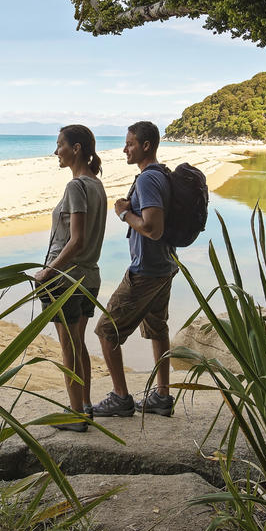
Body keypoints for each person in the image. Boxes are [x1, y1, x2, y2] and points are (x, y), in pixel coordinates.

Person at [93, 121, 177, 418]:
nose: (124, 148)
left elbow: (153, 229)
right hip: (165, 265)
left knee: (106, 331)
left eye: (129, 143)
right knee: (157, 329)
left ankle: (120, 397)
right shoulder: (161, 175)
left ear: (145, 145)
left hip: (146, 270)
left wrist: (124, 213)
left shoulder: (146, 180)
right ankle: (162, 397)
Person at [34, 125, 107, 432]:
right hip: (89, 277)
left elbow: (74, 240)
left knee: (69, 348)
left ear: (76, 148)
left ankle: (75, 414)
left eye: (60, 145)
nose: (56, 151)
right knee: (79, 344)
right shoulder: (98, 185)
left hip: (66, 279)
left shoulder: (76, 187)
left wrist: (48, 271)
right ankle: (85, 406)